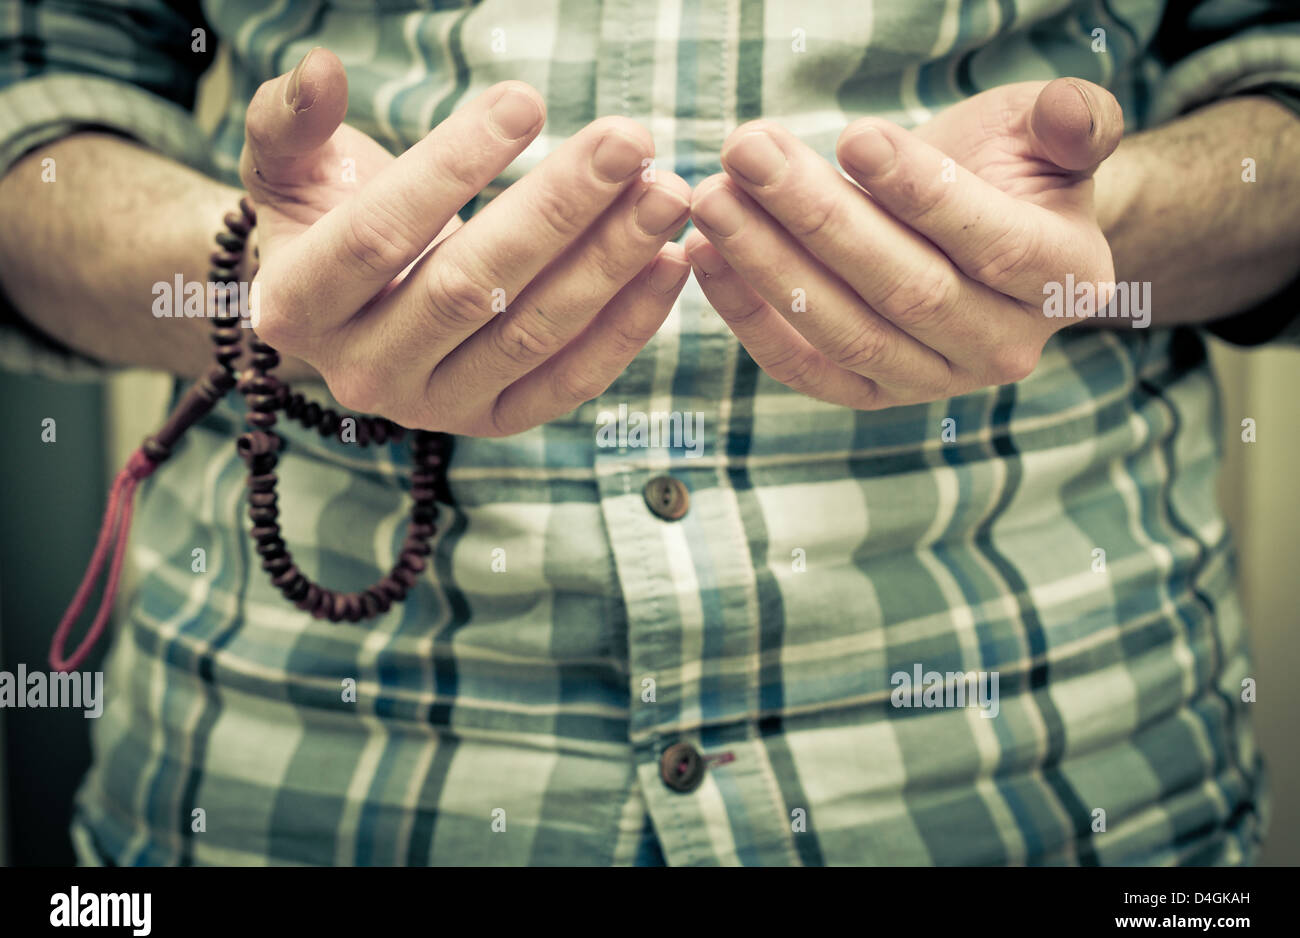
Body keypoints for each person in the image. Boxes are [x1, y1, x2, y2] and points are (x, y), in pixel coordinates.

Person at [1, 0, 1297, 866]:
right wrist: (261, 284)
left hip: (1077, 761)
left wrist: (1100, 239)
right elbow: (35, 106)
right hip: (292, 773)